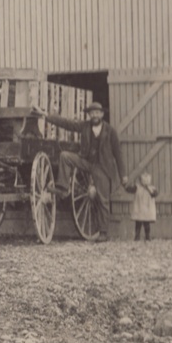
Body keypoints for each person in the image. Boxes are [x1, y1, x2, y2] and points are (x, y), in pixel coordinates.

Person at [32, 102, 127, 241]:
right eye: (92, 113)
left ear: (101, 114)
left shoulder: (110, 131)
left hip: (102, 167)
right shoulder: (85, 126)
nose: (94, 115)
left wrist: (123, 175)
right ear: (89, 115)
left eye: (97, 113)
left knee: (103, 200)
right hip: (86, 161)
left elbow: (118, 154)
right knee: (65, 156)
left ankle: (104, 233)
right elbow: (66, 123)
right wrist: (45, 115)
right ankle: (63, 187)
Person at [125, 172, 159, 241]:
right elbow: (129, 189)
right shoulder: (137, 187)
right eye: (143, 180)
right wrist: (125, 185)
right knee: (138, 224)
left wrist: (149, 189)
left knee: (147, 224)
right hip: (139, 208)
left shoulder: (152, 188)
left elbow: (154, 194)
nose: (145, 182)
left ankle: (147, 236)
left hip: (147, 209)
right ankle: (137, 237)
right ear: (140, 181)